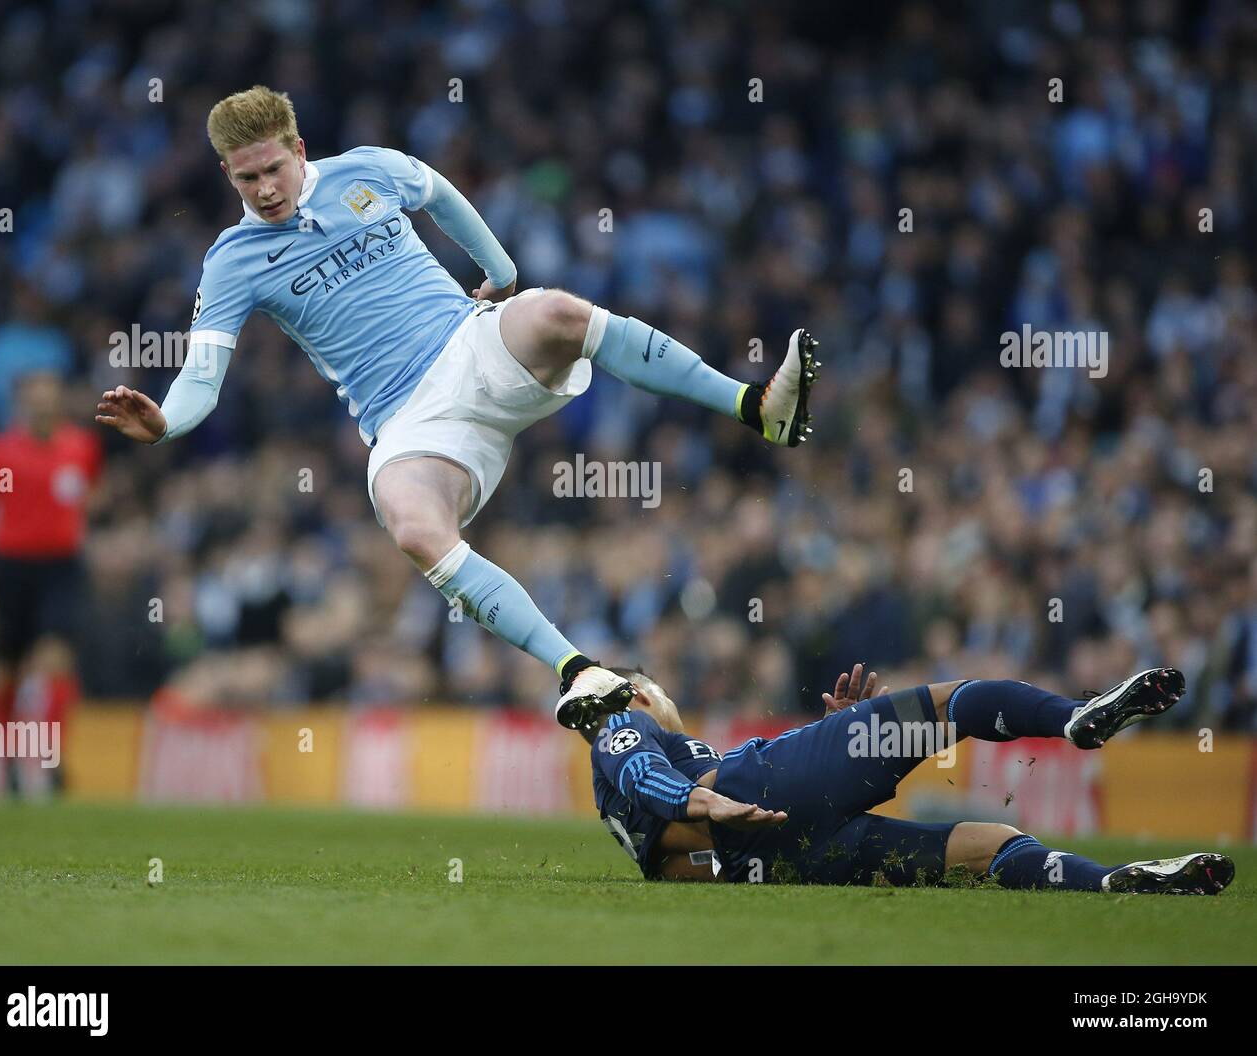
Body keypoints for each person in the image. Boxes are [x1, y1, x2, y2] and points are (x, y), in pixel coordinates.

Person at [94, 85, 817, 730]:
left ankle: (757, 408)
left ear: (299, 150)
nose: (266, 190)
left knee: (559, 311)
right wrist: (164, 424)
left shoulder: (367, 170)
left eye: (274, 169)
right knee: (411, 524)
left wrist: (499, 270)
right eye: (247, 178)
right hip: (408, 422)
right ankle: (580, 671)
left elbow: (438, 193)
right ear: (228, 174)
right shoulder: (231, 259)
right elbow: (201, 375)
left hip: (470, 345)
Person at [585, 662, 1235, 894]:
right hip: (763, 796)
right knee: (954, 704)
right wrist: (705, 800)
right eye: (653, 687)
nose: (660, 696)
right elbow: (642, 771)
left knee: (987, 848)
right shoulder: (626, 724)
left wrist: (835, 732)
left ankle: (1114, 882)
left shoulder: (645, 829)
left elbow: (706, 857)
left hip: (792, 858)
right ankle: (1075, 719)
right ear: (636, 693)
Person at [0, 371, 99, 794]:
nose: (42, 406)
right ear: (21, 404)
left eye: (49, 398)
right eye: (34, 399)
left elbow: (88, 495)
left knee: (56, 658)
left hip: (60, 566)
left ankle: (52, 757)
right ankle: (10, 764)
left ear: (59, 403)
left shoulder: (81, 446)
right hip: (8, 567)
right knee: (6, 671)